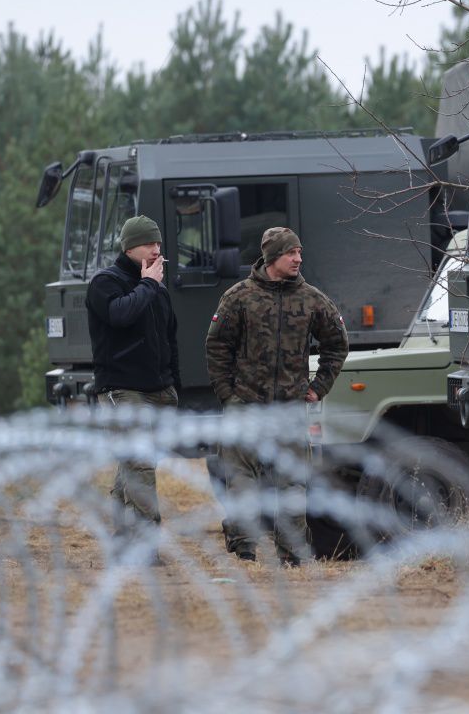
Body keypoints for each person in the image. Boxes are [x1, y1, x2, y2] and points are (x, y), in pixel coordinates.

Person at [205, 226, 349, 566]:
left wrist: (319, 387)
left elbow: (337, 344)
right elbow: (217, 345)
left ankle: (293, 555)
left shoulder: (312, 299)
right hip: (246, 405)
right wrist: (228, 394)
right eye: (291, 253)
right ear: (272, 258)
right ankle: (244, 550)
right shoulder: (238, 297)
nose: (299, 258)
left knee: (293, 486)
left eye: (299, 252)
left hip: (290, 410)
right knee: (241, 480)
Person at [86, 214, 182, 556]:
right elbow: (119, 315)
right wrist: (148, 285)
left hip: (158, 390)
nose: (156, 250)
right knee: (139, 461)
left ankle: (123, 539)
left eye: (158, 244)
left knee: (134, 464)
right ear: (129, 248)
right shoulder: (105, 283)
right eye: (148, 245)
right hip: (121, 389)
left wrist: (174, 387)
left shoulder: (156, 289)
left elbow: (169, 340)